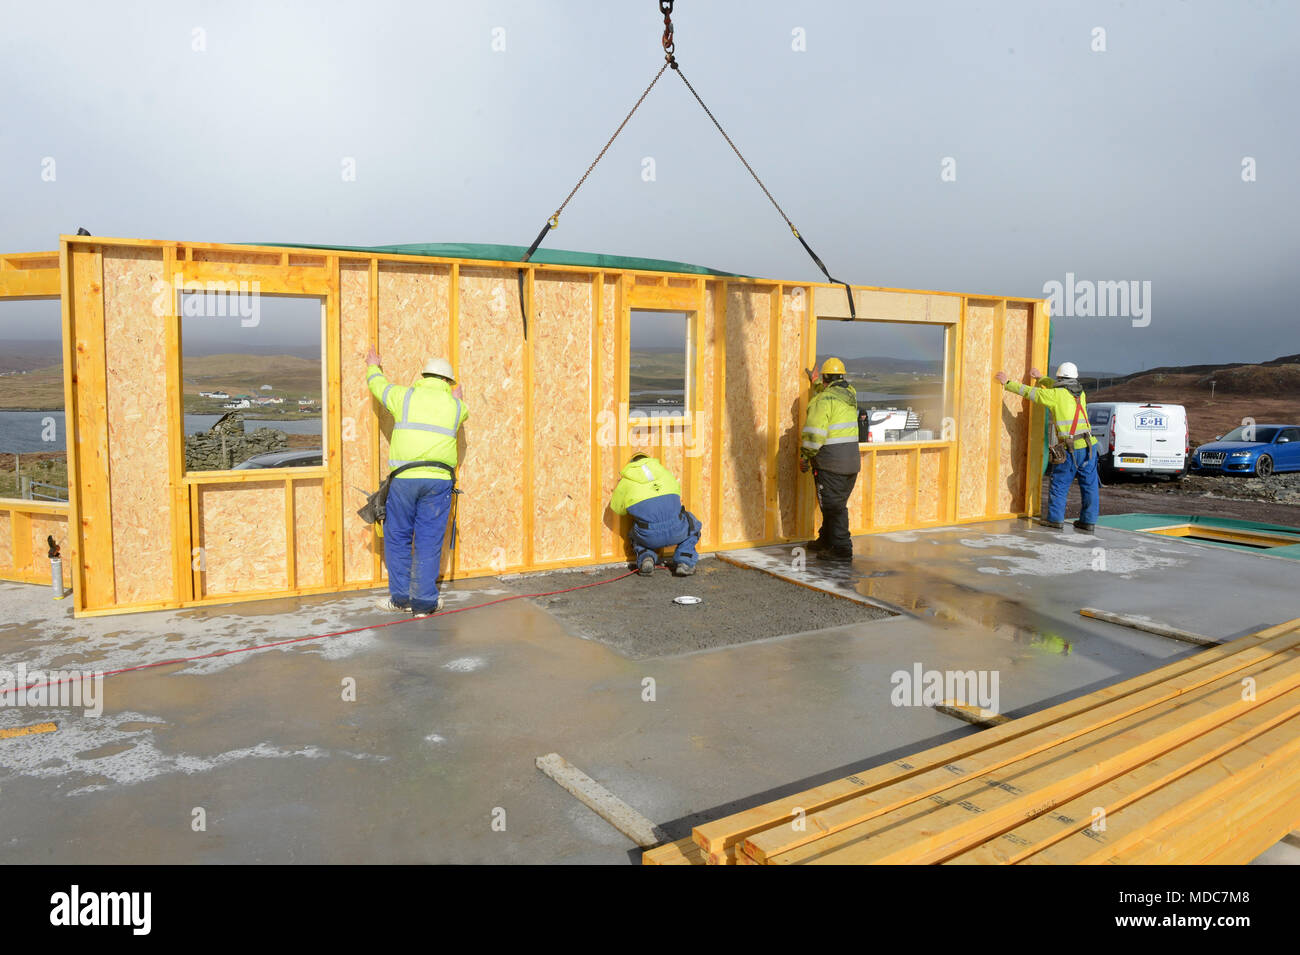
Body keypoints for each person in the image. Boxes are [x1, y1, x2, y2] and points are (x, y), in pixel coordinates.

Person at [365, 348, 468, 613]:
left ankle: (400, 600)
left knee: (398, 537)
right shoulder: (456, 407)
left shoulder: (405, 396)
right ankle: (423, 604)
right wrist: (456, 398)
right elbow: (462, 411)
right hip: (438, 483)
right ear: (449, 382)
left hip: (405, 479)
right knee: (429, 540)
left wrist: (373, 366)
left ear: (423, 376)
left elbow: (379, 386)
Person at [996, 361, 1099, 532]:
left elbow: (1030, 392)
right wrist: (1041, 378)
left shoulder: (1055, 395)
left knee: (1059, 484)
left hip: (1070, 449)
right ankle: (1088, 521)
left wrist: (1007, 384)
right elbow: (1057, 387)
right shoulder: (1080, 393)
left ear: (1060, 377)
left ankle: (1055, 520)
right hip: (1089, 447)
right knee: (1089, 485)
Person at [800, 357, 862, 559]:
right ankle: (826, 539)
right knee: (831, 503)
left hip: (831, 463)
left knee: (834, 507)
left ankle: (842, 549)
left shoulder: (822, 401)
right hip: (851, 463)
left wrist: (805, 456)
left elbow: (814, 434)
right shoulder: (850, 395)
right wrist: (816, 382)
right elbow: (831, 391)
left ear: (825, 378)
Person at [609, 453, 703, 577]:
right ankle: (685, 562)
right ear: (650, 462)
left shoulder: (626, 481)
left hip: (648, 537)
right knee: (693, 524)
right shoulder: (666, 473)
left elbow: (618, 510)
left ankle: (646, 558)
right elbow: (677, 495)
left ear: (631, 465)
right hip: (677, 531)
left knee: (635, 534)